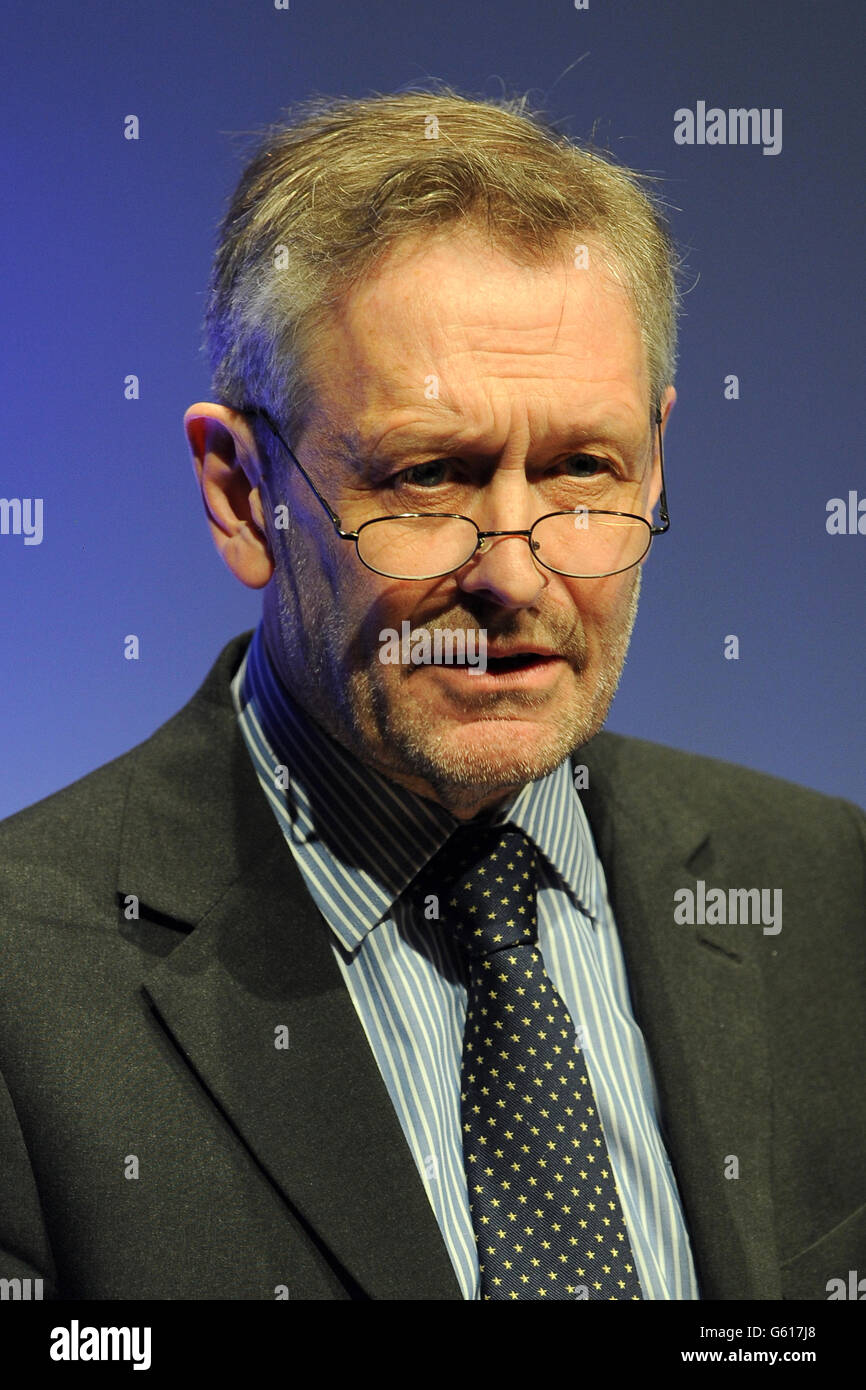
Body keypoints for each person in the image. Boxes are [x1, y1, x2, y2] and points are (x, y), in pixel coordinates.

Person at [1, 88, 863, 1303]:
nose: (514, 571)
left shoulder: (824, 885)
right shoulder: (22, 990)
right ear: (244, 493)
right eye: (426, 477)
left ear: (657, 458)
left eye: (580, 467)